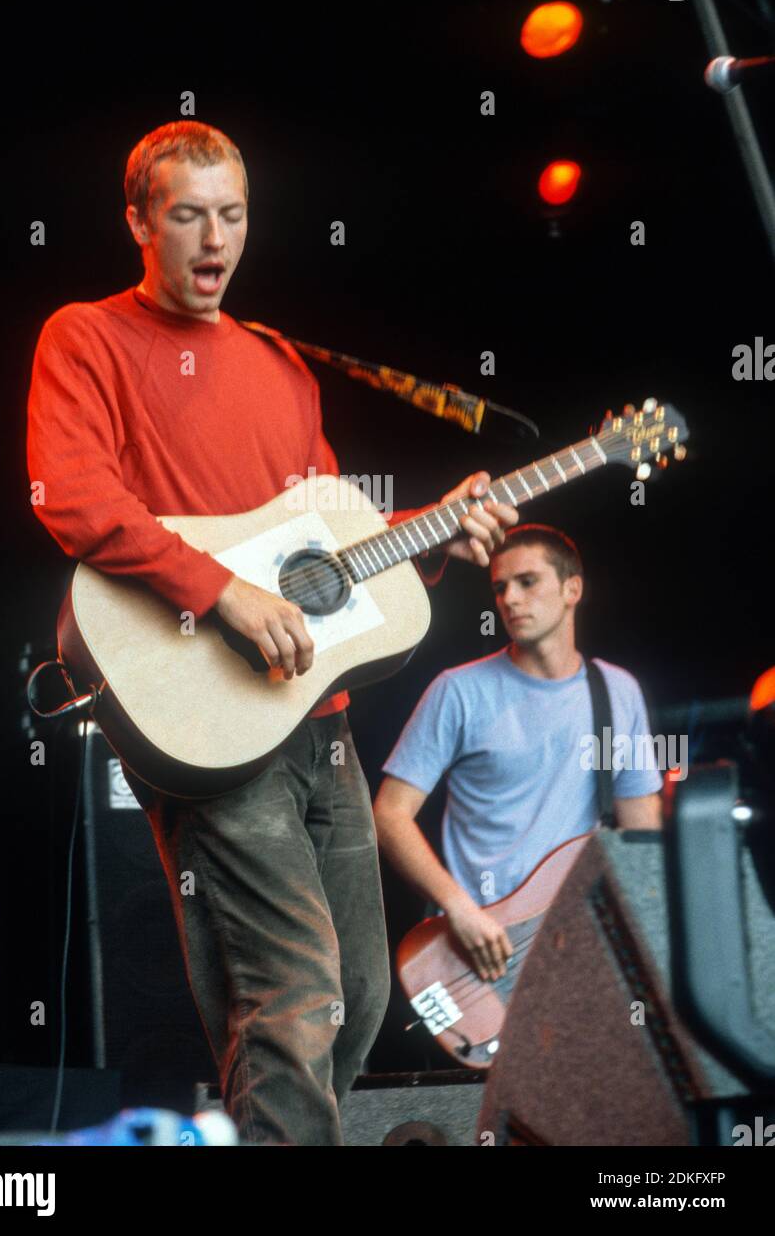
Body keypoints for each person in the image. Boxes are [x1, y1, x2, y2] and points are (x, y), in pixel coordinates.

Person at [26, 119, 518, 1145]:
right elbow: (70, 497)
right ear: (138, 221)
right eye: (187, 213)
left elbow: (321, 552)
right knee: (294, 996)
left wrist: (432, 535)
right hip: (209, 713)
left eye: (233, 214)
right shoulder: (85, 334)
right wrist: (218, 591)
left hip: (316, 719)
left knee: (358, 997)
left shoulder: (279, 365)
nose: (215, 238)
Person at [374, 523, 663, 990]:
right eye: (501, 587)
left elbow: (641, 834)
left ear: (573, 589)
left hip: (581, 946)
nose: (510, 599)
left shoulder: (615, 691)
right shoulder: (459, 690)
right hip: (482, 950)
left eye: (527, 582)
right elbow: (389, 814)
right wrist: (460, 909)